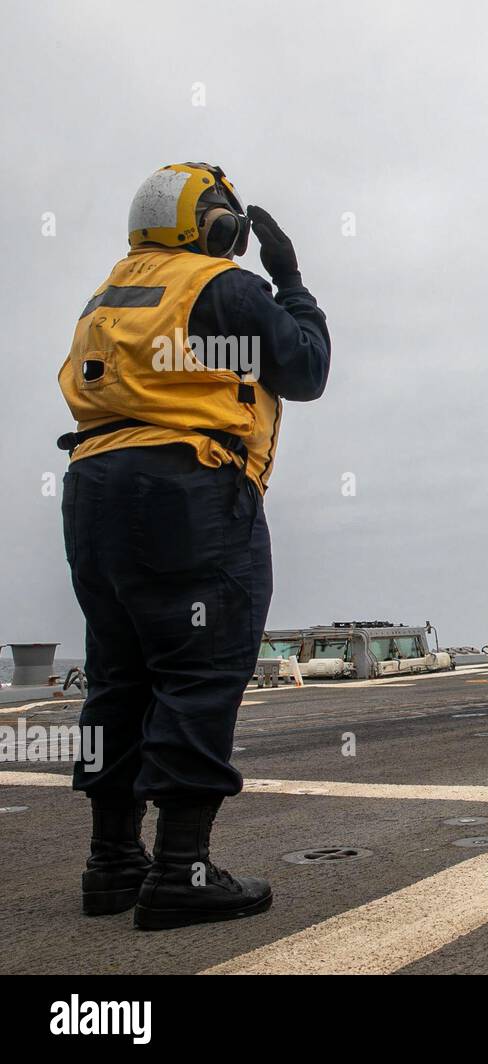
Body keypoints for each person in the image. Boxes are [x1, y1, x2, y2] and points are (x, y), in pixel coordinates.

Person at [57, 162, 330, 930]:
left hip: (93, 489)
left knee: (118, 677)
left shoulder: (105, 299)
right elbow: (306, 370)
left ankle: (111, 862)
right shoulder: (221, 287)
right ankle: (183, 871)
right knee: (199, 673)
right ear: (214, 226)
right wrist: (292, 280)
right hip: (190, 491)